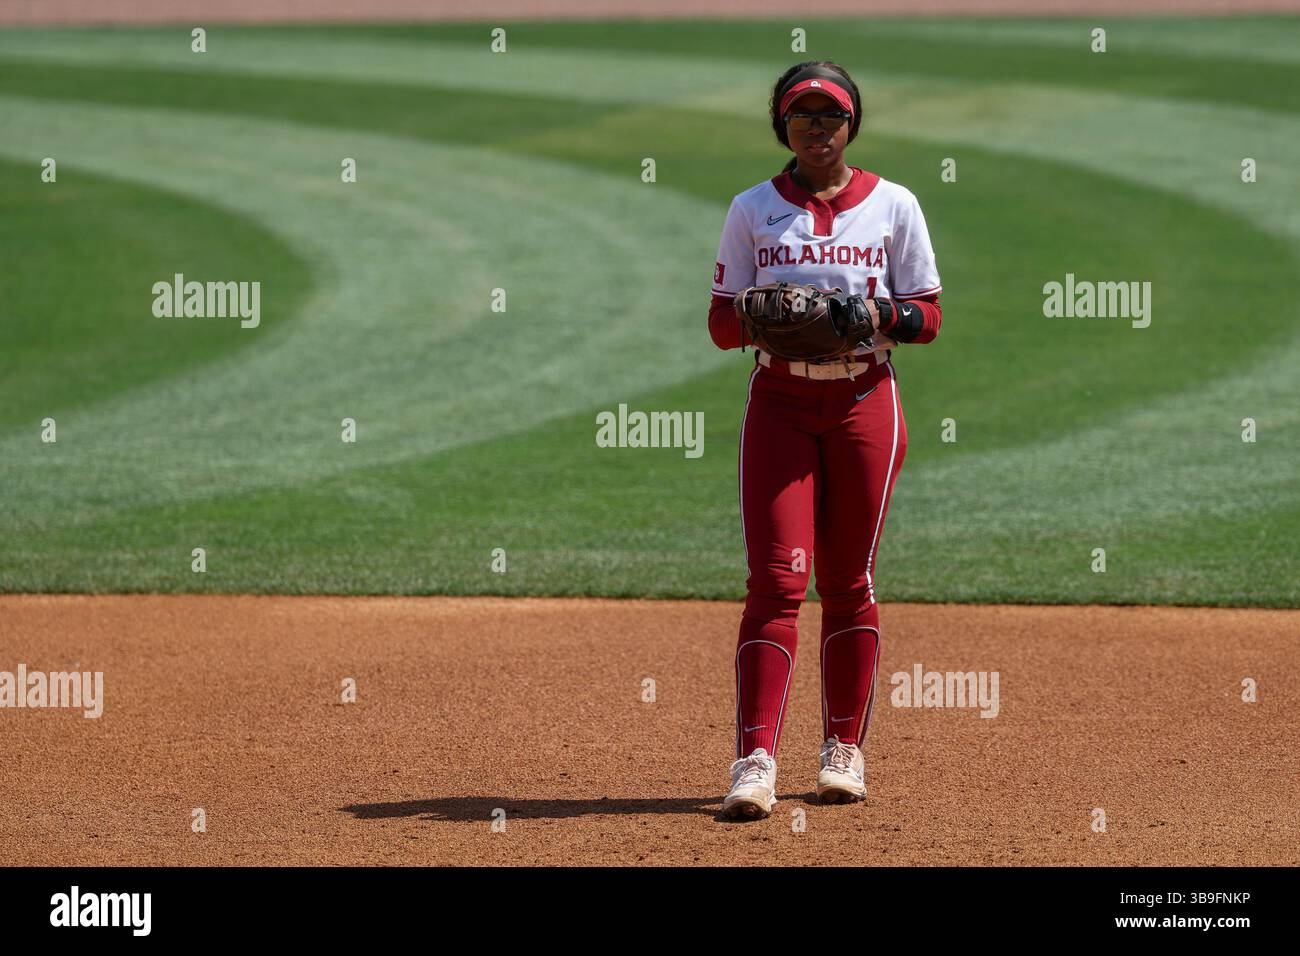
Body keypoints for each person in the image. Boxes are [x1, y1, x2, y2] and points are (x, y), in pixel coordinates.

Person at [707, 60, 944, 819]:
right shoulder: (751, 208)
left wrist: (872, 318)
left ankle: (843, 749)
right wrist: (760, 310)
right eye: (803, 115)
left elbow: (928, 317)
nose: (818, 127)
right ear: (783, 125)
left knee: (847, 583)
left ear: (852, 124)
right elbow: (718, 327)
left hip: (865, 401)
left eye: (831, 115)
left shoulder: (895, 206)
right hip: (778, 400)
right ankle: (755, 761)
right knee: (776, 583)